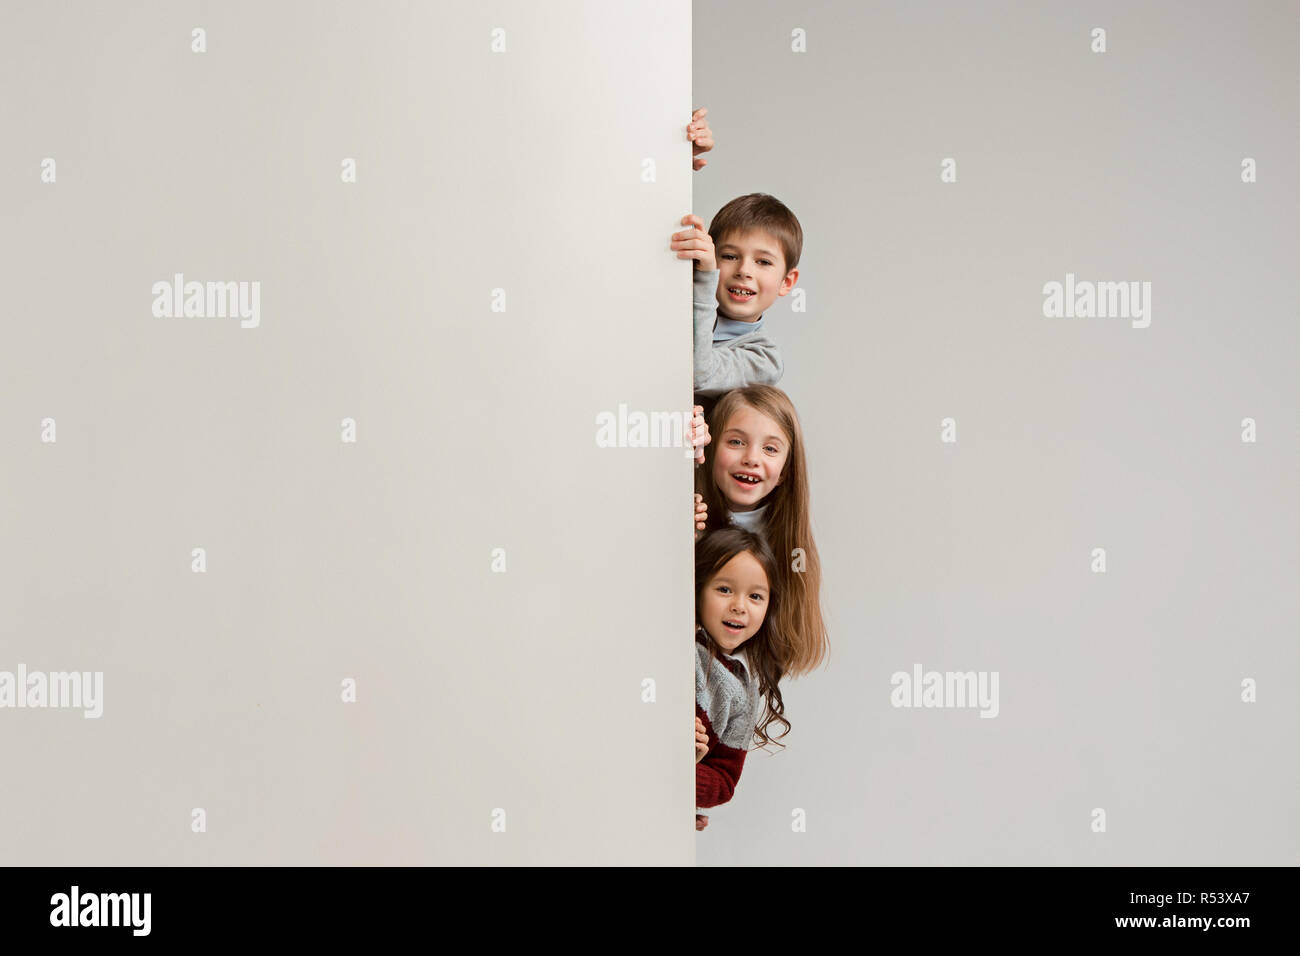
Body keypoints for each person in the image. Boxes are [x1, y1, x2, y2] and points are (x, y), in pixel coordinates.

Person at [693, 385, 828, 679]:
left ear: (785, 472)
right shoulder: (690, 508)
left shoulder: (786, 545)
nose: (752, 458)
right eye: (736, 442)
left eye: (770, 449)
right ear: (711, 447)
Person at [694, 527, 790, 831]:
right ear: (697, 588)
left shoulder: (744, 689)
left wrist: (682, 775)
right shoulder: (676, 641)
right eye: (724, 589)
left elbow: (724, 782)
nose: (740, 605)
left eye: (755, 596)